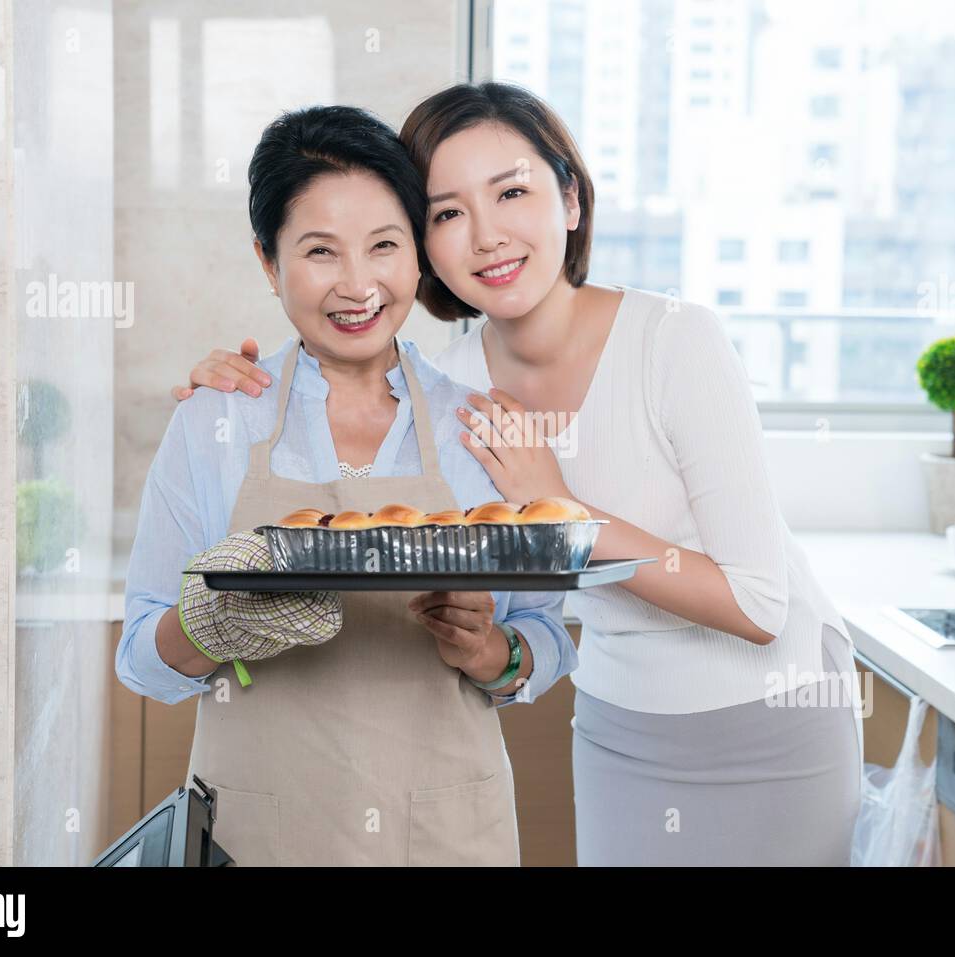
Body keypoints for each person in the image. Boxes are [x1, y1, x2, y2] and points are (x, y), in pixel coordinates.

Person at [176, 84, 863, 866]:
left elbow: (757, 602)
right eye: (446, 213)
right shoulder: (454, 383)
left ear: (569, 199)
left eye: (512, 192)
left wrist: (566, 508)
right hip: (622, 720)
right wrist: (233, 381)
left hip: (773, 716)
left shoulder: (675, 342)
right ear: (423, 243)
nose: (487, 236)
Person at [117, 105, 575, 866]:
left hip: (444, 833)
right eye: (321, 252)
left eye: (385, 246)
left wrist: (492, 651)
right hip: (258, 832)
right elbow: (140, 656)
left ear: (419, 256)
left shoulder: (480, 425)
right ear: (269, 262)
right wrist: (207, 627)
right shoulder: (215, 423)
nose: (358, 285)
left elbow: (548, 639)